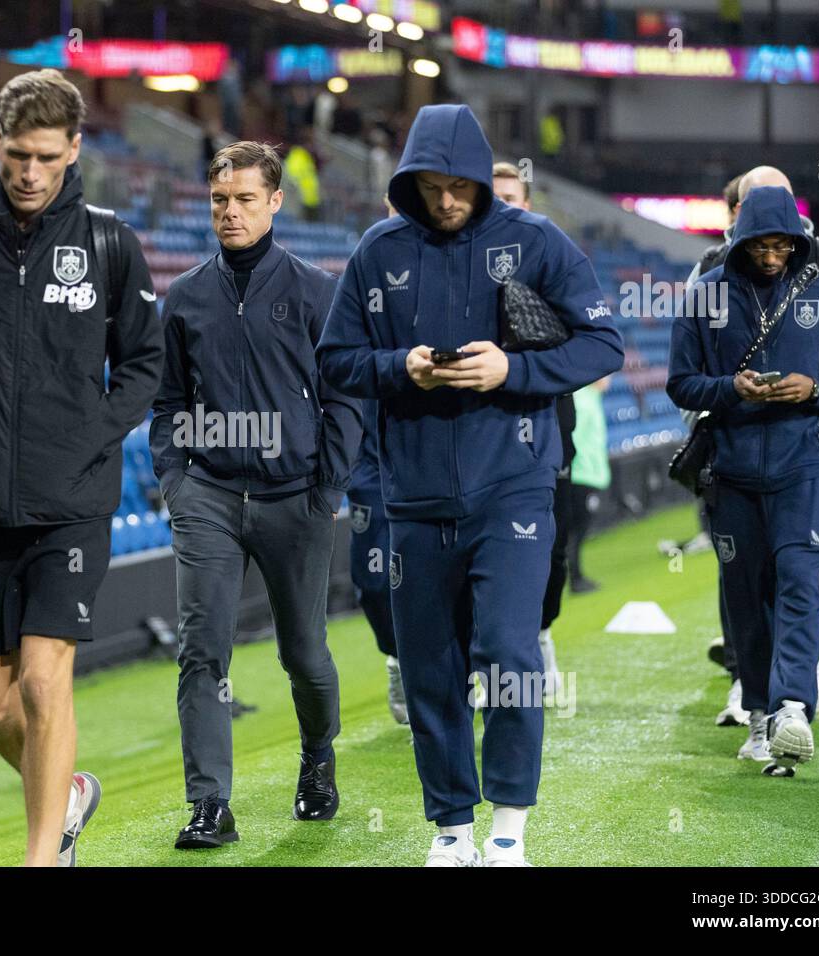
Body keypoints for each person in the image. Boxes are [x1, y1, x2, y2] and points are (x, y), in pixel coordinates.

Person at [317, 105, 624, 866]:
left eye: (459, 186)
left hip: (514, 489)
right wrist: (404, 368)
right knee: (430, 670)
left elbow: (604, 341)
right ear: (409, 181)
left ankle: (509, 832)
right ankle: (451, 832)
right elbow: (335, 361)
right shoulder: (376, 251)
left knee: (511, 656)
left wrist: (511, 370)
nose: (446, 200)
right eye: (430, 185)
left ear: (484, 178)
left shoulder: (535, 240)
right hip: (413, 498)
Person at [0, 69, 164, 866]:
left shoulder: (109, 243)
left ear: (74, 150)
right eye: (18, 157)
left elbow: (146, 363)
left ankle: (44, 860)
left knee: (43, 681)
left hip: (71, 501)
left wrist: (91, 433)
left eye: (47, 157)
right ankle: (68, 795)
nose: (30, 174)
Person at [150, 141, 361, 849]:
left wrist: (326, 488)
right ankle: (210, 803)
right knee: (201, 652)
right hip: (207, 494)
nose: (230, 212)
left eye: (244, 199)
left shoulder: (315, 292)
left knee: (304, 652)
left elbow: (345, 398)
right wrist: (176, 481)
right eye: (219, 200)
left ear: (275, 202)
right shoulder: (182, 298)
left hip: (293, 497)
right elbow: (167, 403)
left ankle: (317, 755)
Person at [668, 185, 819, 777]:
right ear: (740, 241)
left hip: (803, 466)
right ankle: (757, 712)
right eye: (762, 244)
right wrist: (733, 388)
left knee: (801, 583)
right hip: (730, 473)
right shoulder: (704, 297)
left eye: (783, 244)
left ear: (798, 242)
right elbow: (681, 382)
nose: (773, 253)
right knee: (745, 596)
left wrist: (814, 391)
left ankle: (793, 706)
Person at [492, 161, 574, 699]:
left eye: (511, 197)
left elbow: (588, 340)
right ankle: (495, 660)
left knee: (551, 547)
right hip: (484, 431)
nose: (502, 206)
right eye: (493, 197)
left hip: (547, 422)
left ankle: (541, 632)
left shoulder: (551, 258)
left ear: (528, 203)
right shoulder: (460, 263)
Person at [348, 195, 406, 724]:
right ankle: (396, 657)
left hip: (435, 454)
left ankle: (456, 671)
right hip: (371, 461)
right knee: (371, 580)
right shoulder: (364, 266)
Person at [566, 379, 611, 594]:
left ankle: (575, 576)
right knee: (576, 530)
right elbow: (574, 438)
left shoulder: (589, 397)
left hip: (586, 473)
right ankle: (576, 578)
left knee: (577, 529)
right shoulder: (583, 399)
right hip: (581, 474)